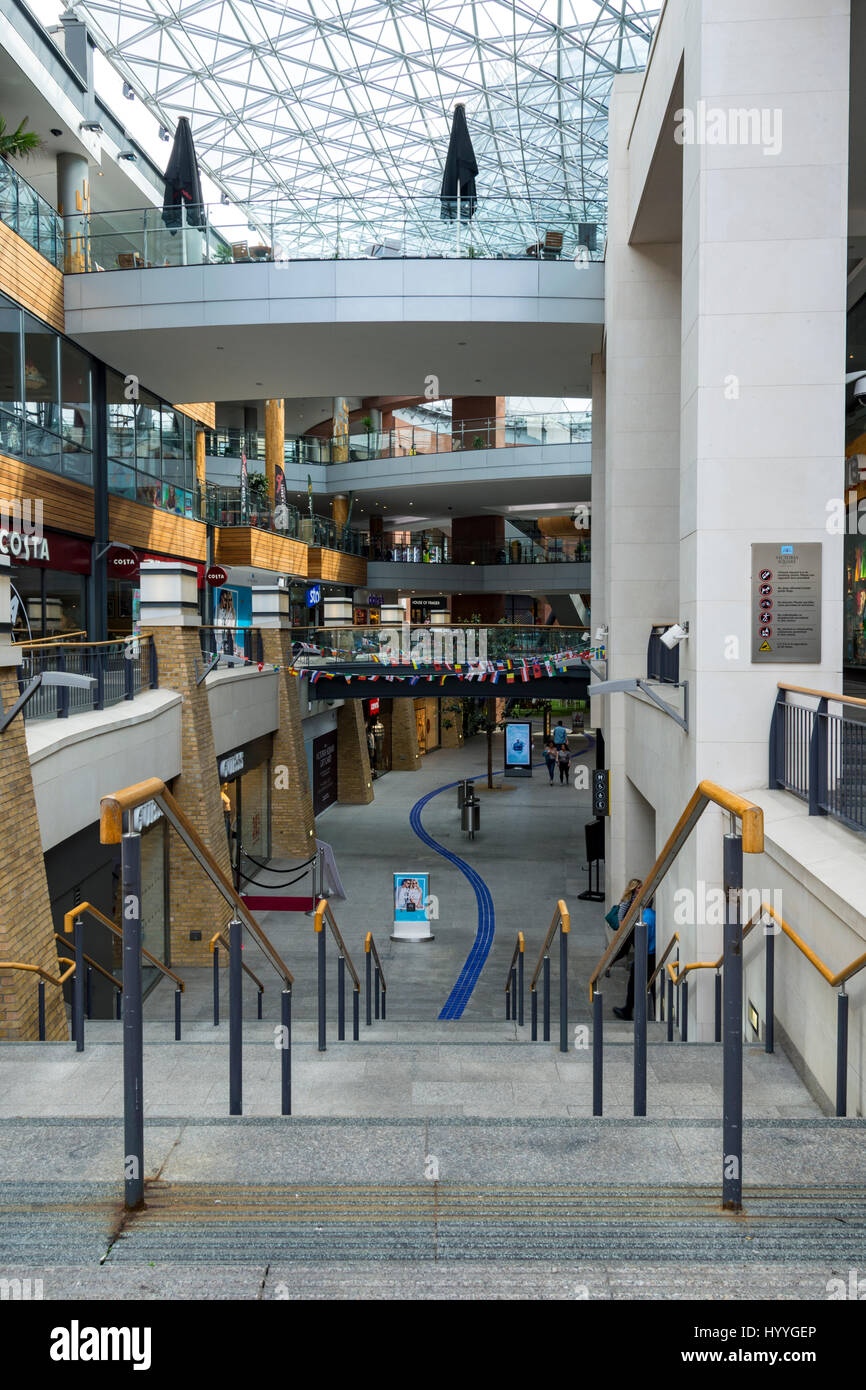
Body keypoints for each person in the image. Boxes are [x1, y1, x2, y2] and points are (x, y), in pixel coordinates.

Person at [614, 896, 656, 1021]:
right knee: (652, 985)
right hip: (653, 955)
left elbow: (642, 941)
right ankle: (657, 1012)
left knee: (633, 984)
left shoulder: (644, 918)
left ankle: (628, 1011)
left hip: (645, 955)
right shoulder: (653, 915)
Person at [215, 588, 237, 656]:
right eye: (226, 599)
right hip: (218, 639)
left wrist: (233, 643)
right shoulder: (218, 608)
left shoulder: (232, 611)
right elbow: (217, 623)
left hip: (228, 638)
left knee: (229, 655)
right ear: (221, 598)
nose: (228, 602)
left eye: (230, 600)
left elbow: (233, 628)